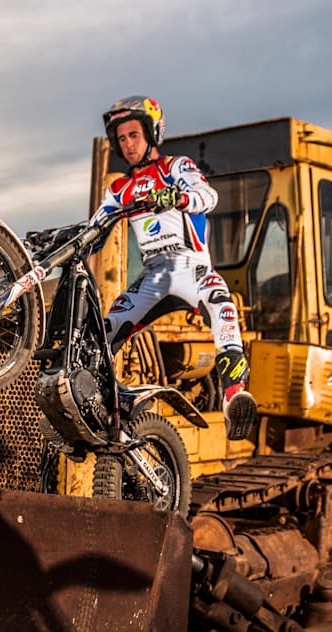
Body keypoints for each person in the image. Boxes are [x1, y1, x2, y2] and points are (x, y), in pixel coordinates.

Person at [91, 95, 259, 441]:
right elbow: (95, 228)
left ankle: (234, 395)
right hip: (153, 275)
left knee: (223, 307)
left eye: (133, 135)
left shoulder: (175, 167)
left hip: (192, 266)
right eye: (121, 138)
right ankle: (106, 401)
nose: (128, 144)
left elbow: (207, 196)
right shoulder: (120, 187)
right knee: (103, 330)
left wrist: (178, 198)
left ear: (152, 133)